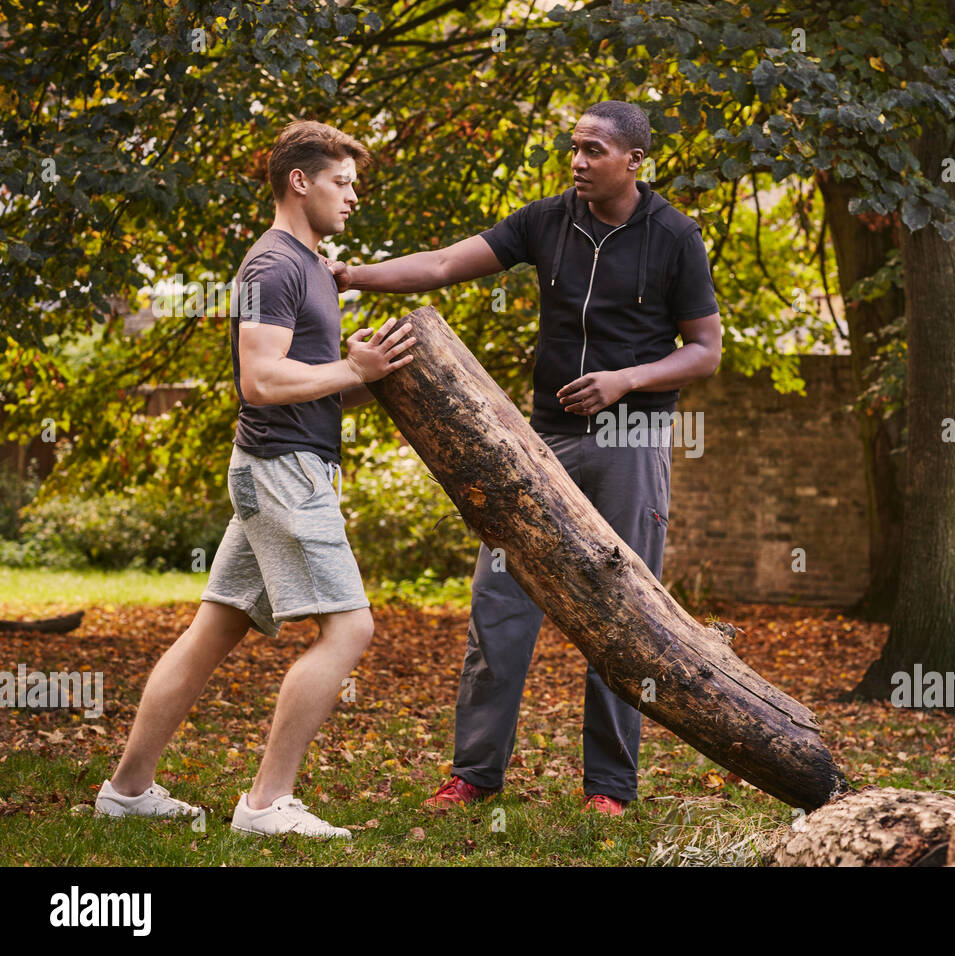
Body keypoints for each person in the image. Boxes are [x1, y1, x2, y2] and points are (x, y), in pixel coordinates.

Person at [330, 100, 722, 816]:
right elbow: (447, 263)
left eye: (594, 150)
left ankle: (609, 788)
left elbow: (706, 350)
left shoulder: (675, 236)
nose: (578, 160)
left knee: (625, 616)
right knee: (500, 603)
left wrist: (625, 380)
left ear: (633, 160)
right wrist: (357, 275)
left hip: (632, 447)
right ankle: (474, 774)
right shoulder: (546, 220)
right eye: (574, 147)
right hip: (540, 446)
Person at [95, 120, 417, 838]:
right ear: (299, 181)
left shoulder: (312, 267)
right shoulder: (270, 267)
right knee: (350, 628)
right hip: (282, 470)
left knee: (216, 628)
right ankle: (267, 803)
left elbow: (310, 381)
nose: (353, 196)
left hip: (279, 467)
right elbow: (261, 379)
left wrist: (370, 373)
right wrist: (349, 369)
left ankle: (127, 789)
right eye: (343, 181)